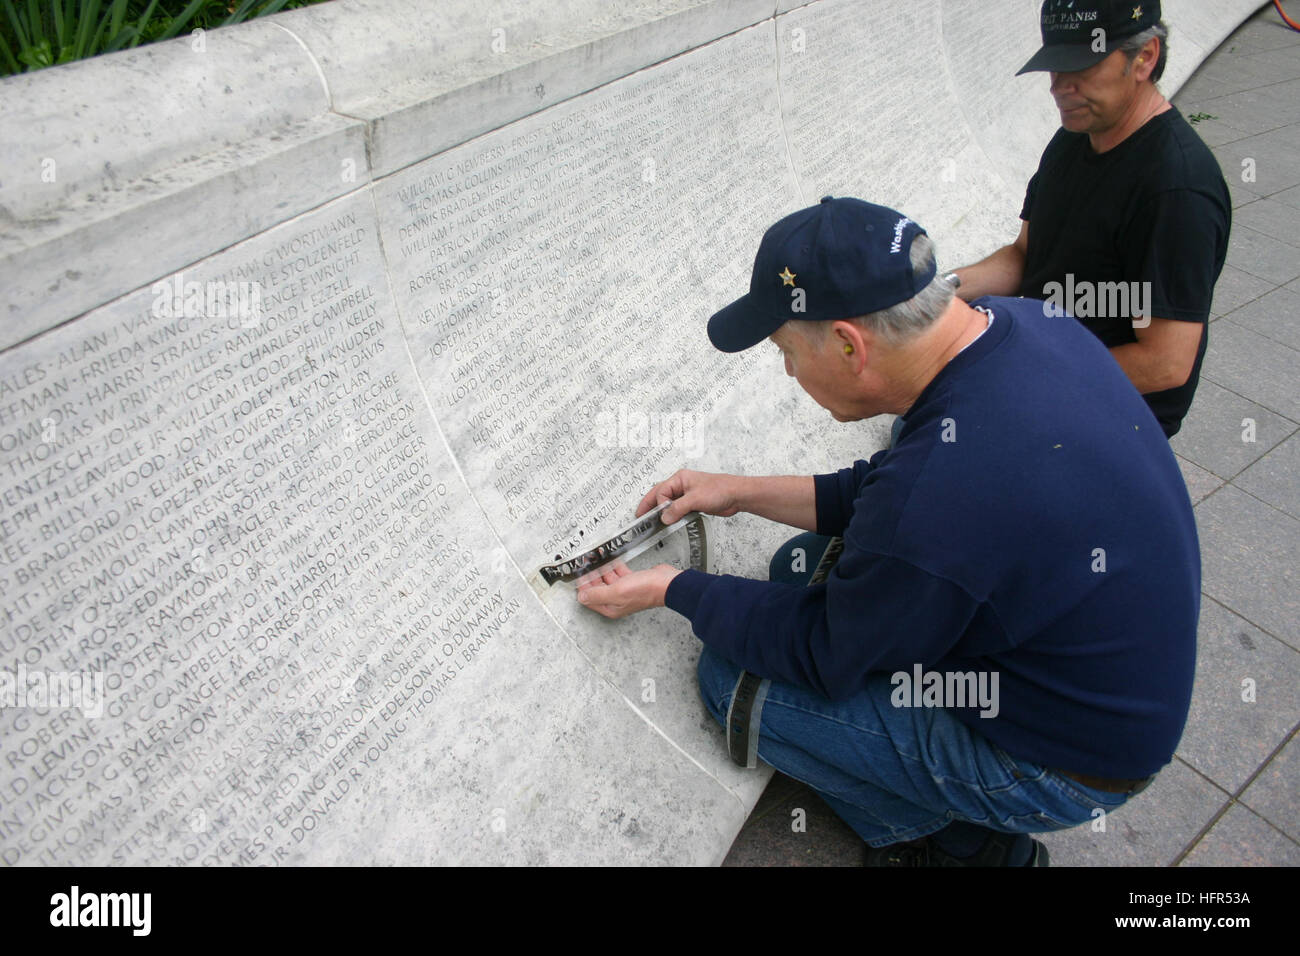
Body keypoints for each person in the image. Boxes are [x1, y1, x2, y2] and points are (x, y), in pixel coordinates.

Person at [577, 196, 1200, 866]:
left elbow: (824, 651)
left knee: (734, 683)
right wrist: (737, 493)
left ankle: (970, 849)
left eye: (786, 352)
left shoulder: (941, 492)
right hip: (1099, 673)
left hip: (1071, 765)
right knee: (799, 566)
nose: (788, 372)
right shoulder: (1024, 325)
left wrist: (674, 588)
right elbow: (890, 487)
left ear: (850, 344)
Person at [953, 0, 1231, 438]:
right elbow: (1025, 256)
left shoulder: (1177, 189)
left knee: (922, 445)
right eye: (1055, 67)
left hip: (1106, 412)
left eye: (1081, 67)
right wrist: (936, 291)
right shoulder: (1074, 138)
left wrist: (1021, 376)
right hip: (1041, 351)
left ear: (1145, 57)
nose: (1059, 88)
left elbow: (1165, 364)